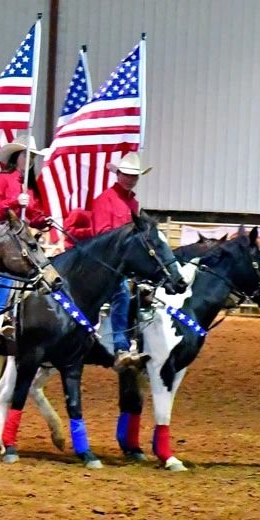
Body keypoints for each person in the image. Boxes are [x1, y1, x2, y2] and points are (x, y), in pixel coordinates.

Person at [0, 136, 49, 347]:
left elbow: (34, 215)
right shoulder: (3, 179)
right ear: (16, 156)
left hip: (22, 237)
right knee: (7, 275)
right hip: (4, 235)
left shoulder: (29, 185)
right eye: (26, 155)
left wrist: (43, 221)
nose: (30, 160)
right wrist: (13, 201)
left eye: (32, 156)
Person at [89, 151, 151, 371]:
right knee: (122, 292)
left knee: (146, 291)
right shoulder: (104, 200)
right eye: (127, 174)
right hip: (105, 263)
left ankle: (134, 340)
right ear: (119, 174)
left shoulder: (134, 204)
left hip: (126, 264)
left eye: (134, 176)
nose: (130, 179)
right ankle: (121, 345)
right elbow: (102, 236)